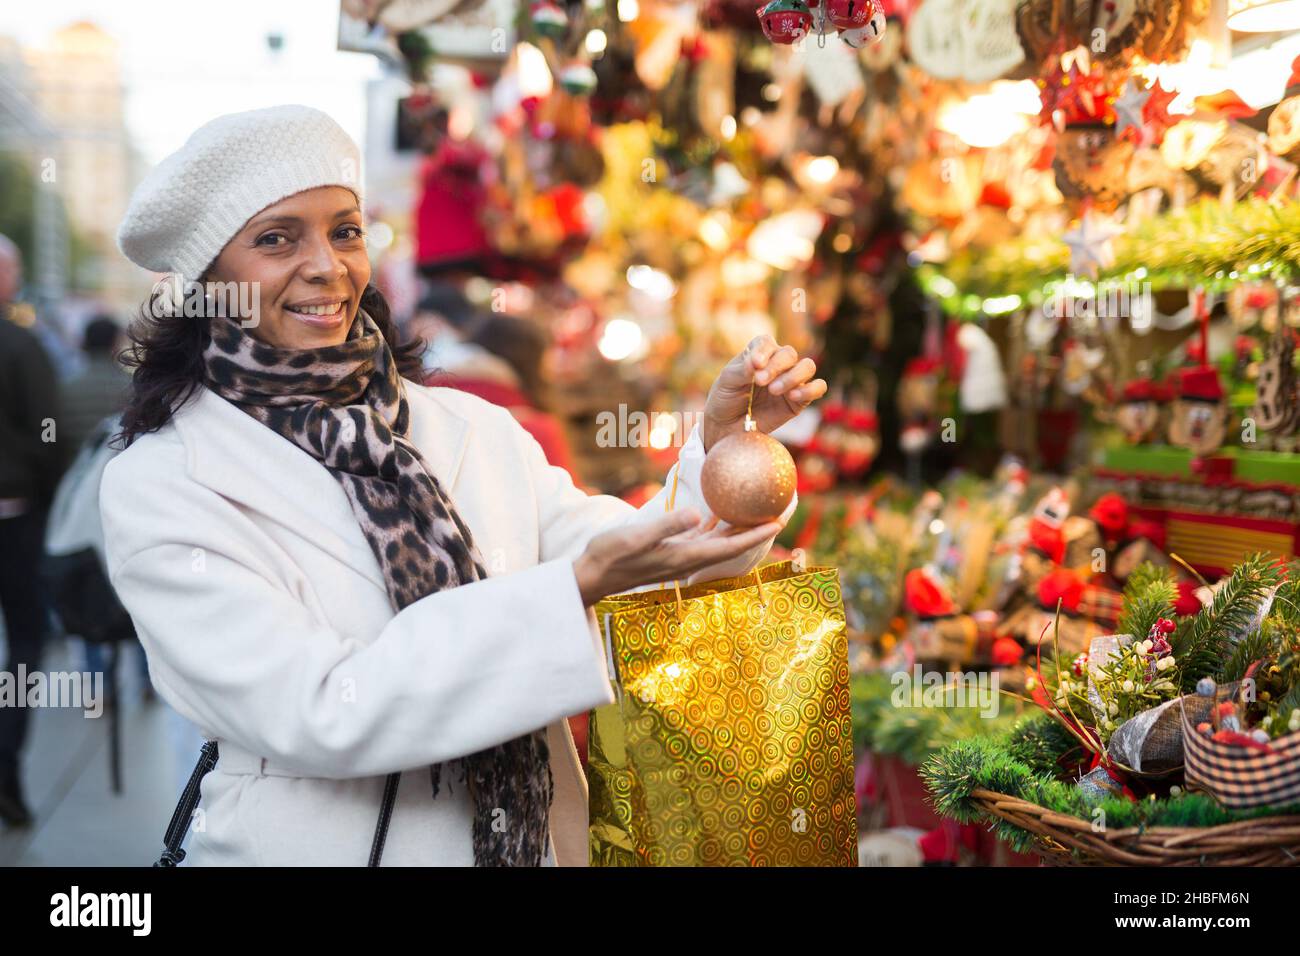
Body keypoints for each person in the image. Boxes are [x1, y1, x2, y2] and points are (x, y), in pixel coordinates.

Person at [103, 105, 826, 866]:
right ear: (208, 280)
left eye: (345, 230)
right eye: (277, 238)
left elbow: (646, 566)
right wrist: (570, 589)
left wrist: (723, 450)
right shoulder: (164, 483)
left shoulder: (465, 426)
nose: (327, 265)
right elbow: (323, 711)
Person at [0, 233, 63, 827]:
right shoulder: (20, 344)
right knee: (22, 644)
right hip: (15, 516)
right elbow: (49, 428)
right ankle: (6, 772)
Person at [59, 315, 130, 462]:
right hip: (117, 471)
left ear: (83, 343)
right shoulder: (133, 388)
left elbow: (50, 430)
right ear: (115, 344)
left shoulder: (66, 387)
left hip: (74, 471)